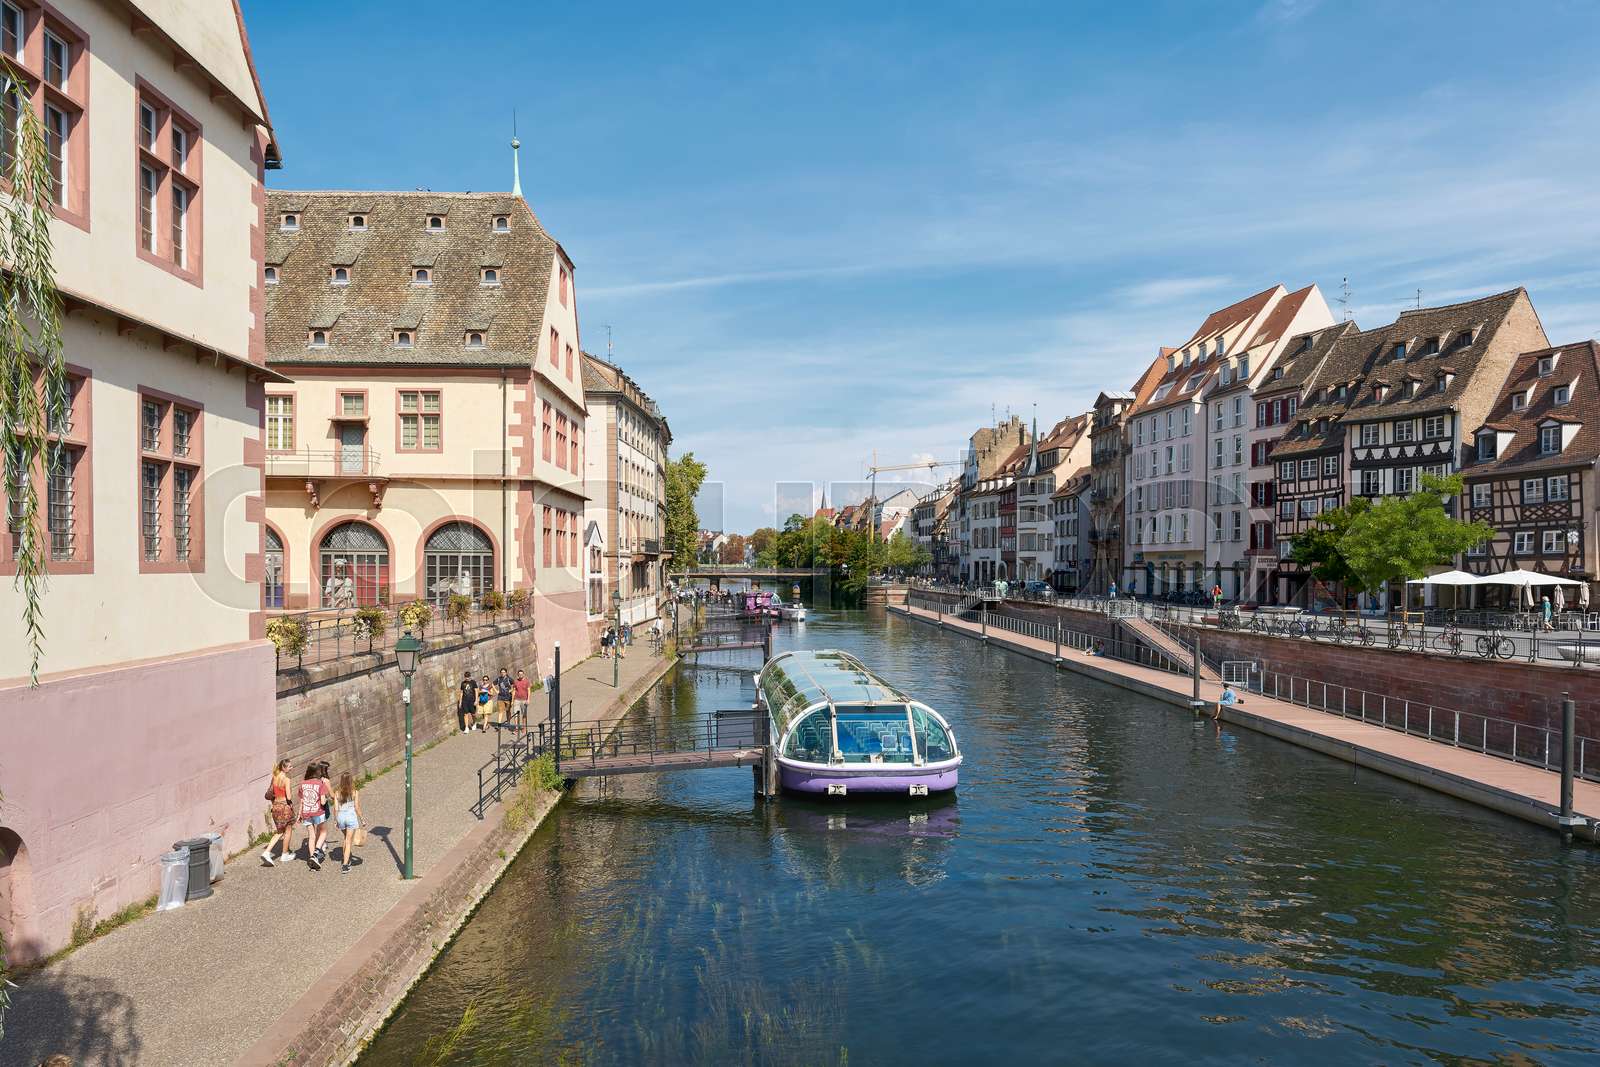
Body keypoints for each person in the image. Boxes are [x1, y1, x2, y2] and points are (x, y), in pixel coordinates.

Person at [261, 758, 297, 866]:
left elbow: (271, 792)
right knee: (288, 830)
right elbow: (289, 796)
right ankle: (284, 854)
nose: (291, 768)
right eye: (290, 766)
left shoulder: (274, 777)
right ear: (284, 768)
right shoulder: (286, 779)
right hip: (284, 807)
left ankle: (267, 852)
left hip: (275, 807)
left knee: (279, 831)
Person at [296, 763, 330, 870]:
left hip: (306, 812)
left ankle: (312, 858)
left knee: (311, 836)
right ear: (317, 772)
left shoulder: (302, 783)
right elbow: (323, 802)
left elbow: (301, 800)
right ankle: (316, 853)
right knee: (323, 832)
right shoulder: (320, 783)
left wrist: (299, 814)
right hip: (318, 812)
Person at [333, 772, 364, 873]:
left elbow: (336, 809)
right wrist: (362, 818)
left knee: (346, 839)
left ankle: (346, 859)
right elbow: (357, 807)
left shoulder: (337, 793)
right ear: (351, 781)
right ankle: (345, 865)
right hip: (350, 817)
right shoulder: (354, 792)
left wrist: (335, 820)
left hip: (341, 817)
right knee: (348, 841)